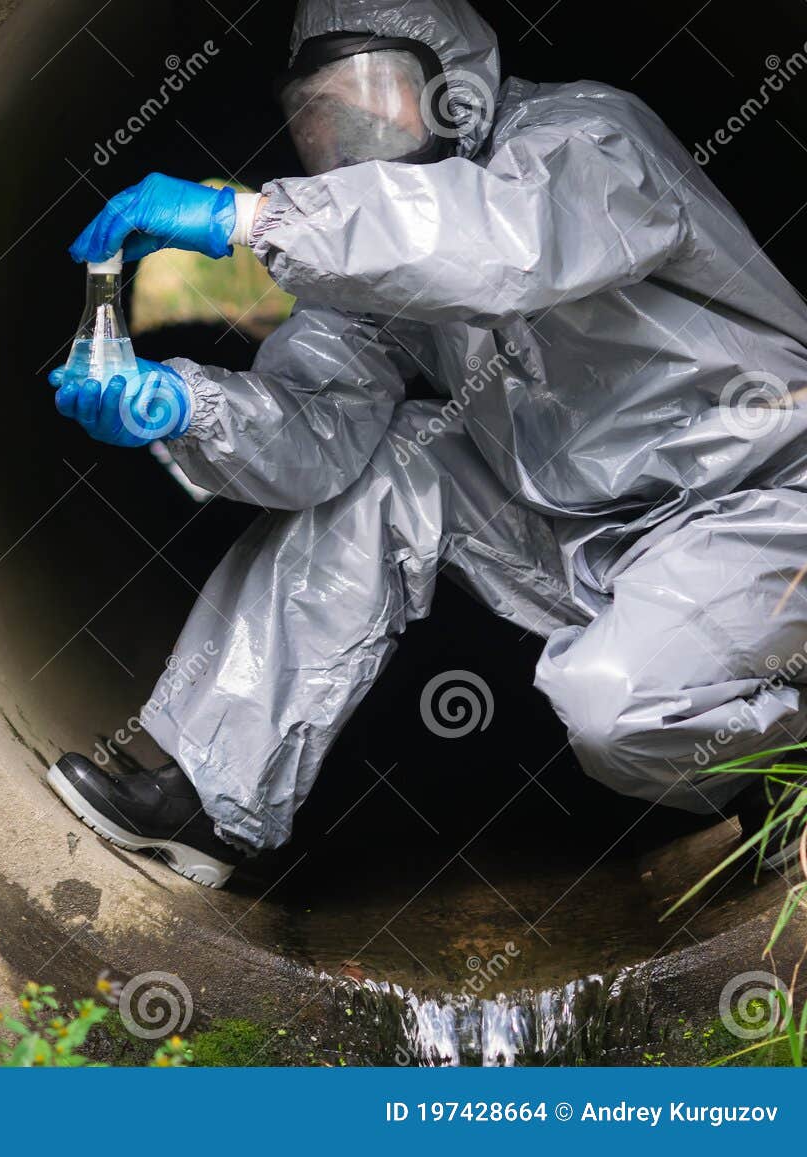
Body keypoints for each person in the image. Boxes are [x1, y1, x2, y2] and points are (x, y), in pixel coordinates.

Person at [46, 0, 807, 888]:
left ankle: (783, 762)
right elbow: (321, 430)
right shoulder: (372, 257)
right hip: (603, 541)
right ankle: (211, 794)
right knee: (395, 462)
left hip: (768, 506)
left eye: (374, 97)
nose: (351, 138)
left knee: (615, 708)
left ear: (458, 84)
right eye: (320, 120)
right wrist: (185, 403)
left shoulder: (588, 141)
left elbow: (500, 243)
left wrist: (255, 221)